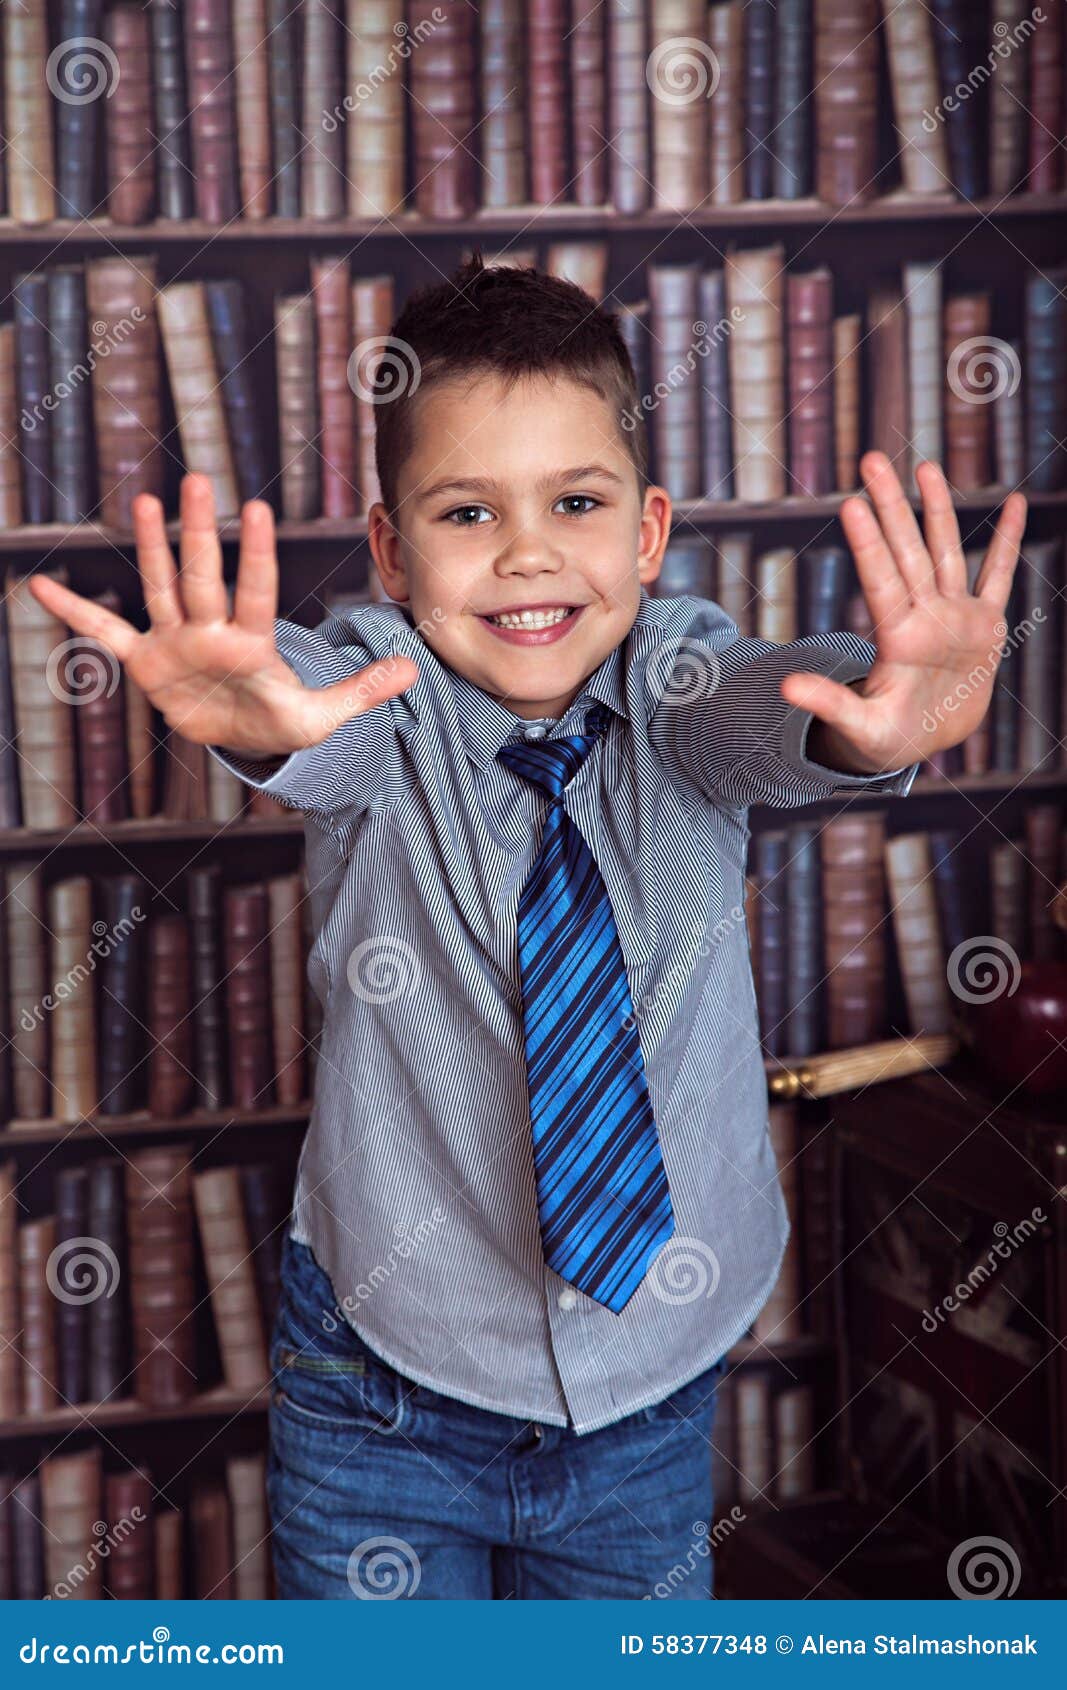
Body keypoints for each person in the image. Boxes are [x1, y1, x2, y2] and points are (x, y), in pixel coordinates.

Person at [31, 256, 1026, 1601]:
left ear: (648, 531)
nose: (527, 554)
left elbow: (761, 709)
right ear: (391, 551)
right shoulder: (381, 702)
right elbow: (311, 709)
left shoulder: (680, 681)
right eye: (465, 512)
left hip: (650, 1388)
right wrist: (258, 713)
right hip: (380, 1382)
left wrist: (872, 716)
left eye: (576, 501)